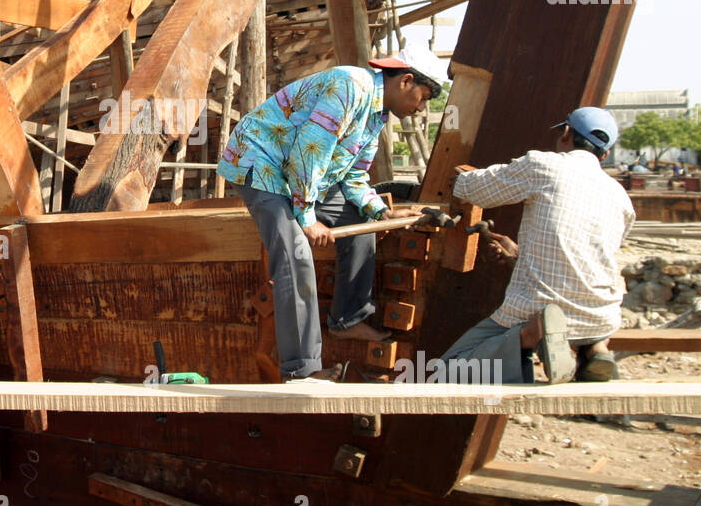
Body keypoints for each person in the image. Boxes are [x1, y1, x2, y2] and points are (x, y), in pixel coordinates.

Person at [217, 44, 450, 382]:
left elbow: (353, 176)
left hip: (298, 176)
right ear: (406, 81)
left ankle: (348, 318)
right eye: (423, 98)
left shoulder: (376, 116)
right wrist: (307, 218)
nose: (421, 108)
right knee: (295, 255)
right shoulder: (350, 86)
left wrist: (379, 211)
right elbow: (308, 152)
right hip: (260, 164)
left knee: (360, 220)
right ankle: (301, 370)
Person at [439, 107, 635, 385]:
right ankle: (595, 349)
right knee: (585, 314)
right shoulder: (620, 196)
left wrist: (458, 179)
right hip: (601, 316)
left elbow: (472, 189)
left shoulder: (543, 165)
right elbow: (589, 255)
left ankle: (529, 335)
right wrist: (520, 254)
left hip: (542, 312)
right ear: (604, 155)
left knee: (447, 372)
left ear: (566, 133)